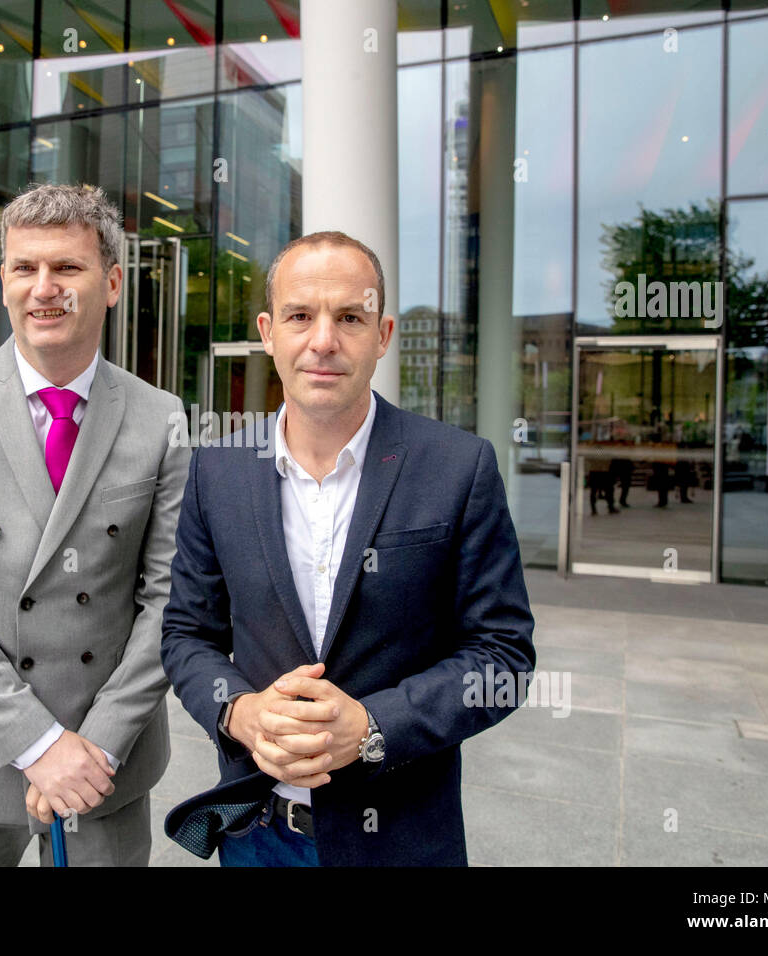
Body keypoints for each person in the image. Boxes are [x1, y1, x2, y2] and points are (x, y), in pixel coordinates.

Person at [159, 231, 537, 866]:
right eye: (300, 316)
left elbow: (502, 654)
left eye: (350, 317)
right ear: (268, 331)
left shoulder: (458, 467)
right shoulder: (216, 470)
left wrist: (373, 728)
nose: (323, 340)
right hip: (257, 836)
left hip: (400, 840)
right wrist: (241, 713)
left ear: (382, 334)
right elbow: (185, 634)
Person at [0, 183, 189, 866]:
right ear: (3, 283)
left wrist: (95, 746)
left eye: (67, 268)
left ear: (111, 283)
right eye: (25, 268)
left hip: (102, 765)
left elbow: (172, 597)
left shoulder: (160, 416)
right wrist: (37, 743)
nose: (44, 288)